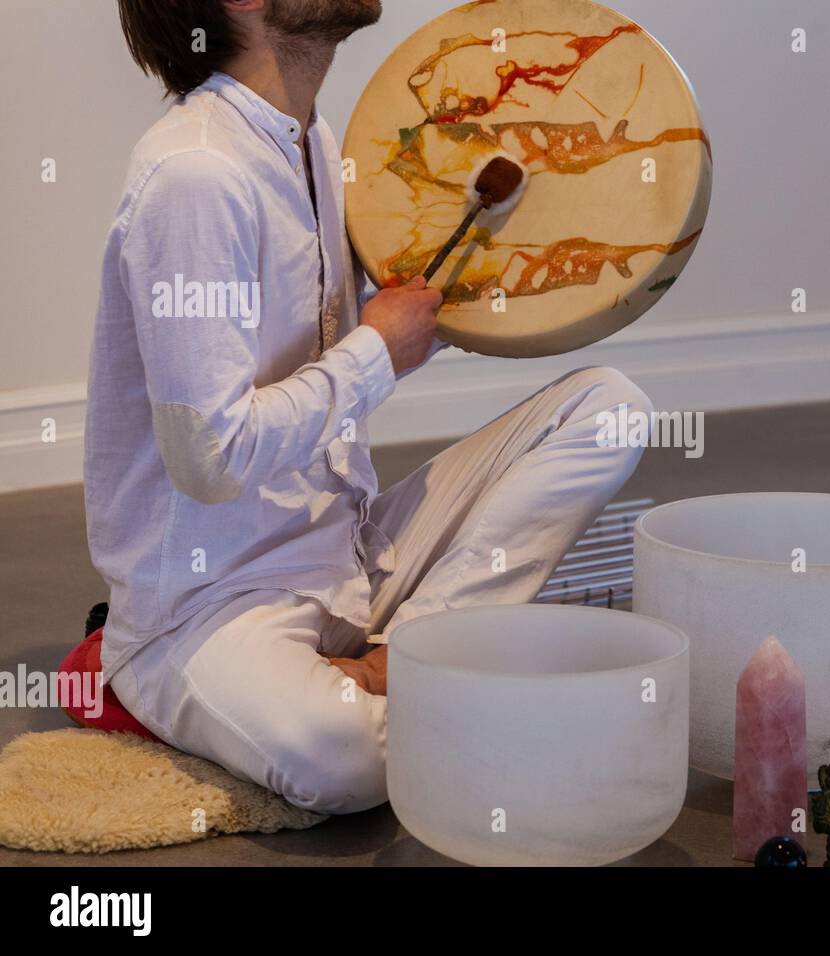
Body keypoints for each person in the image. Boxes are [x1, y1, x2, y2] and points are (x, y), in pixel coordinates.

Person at [86, 0, 650, 812]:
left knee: (613, 407)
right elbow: (207, 458)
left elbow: (336, 343)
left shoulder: (310, 136)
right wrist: (377, 351)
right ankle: (425, 671)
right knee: (345, 760)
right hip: (209, 609)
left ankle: (406, 658)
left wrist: (443, 307)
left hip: (349, 557)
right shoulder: (195, 177)